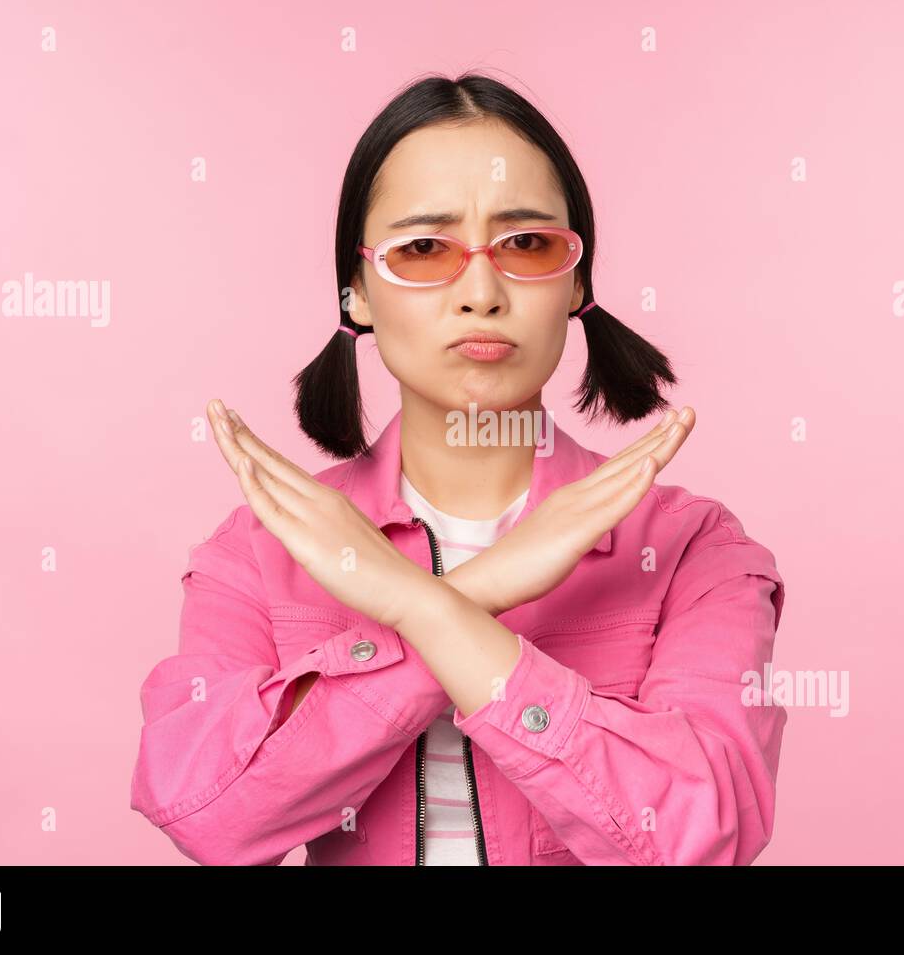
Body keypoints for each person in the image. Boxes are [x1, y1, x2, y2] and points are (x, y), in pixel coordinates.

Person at [129, 72, 788, 866]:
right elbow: (209, 816)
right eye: (423, 249)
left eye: (527, 245)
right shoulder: (259, 551)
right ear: (358, 293)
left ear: (576, 283)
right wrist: (469, 598)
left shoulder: (692, 549)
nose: (481, 291)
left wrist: (422, 608)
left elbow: (701, 837)